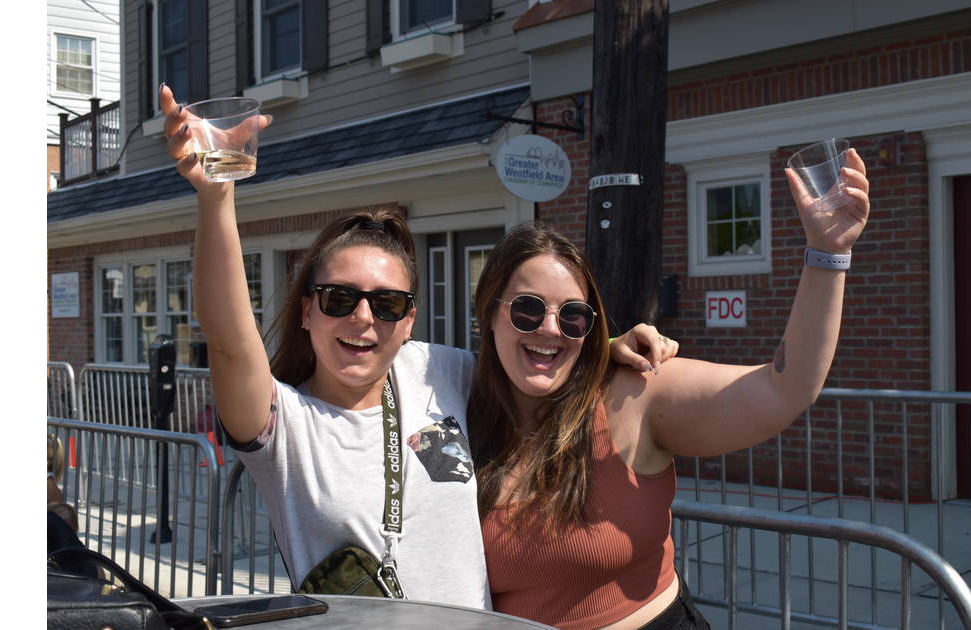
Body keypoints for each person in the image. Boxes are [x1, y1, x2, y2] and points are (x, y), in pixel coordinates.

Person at [157, 85, 675, 608]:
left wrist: (598, 346)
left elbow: (529, 354)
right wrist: (216, 195)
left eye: (386, 304)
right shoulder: (284, 425)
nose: (363, 317)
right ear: (307, 310)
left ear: (409, 321)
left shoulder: (438, 370)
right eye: (339, 298)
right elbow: (227, 340)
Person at [469, 152, 871, 629]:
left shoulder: (633, 392)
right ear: (489, 313)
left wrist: (827, 253)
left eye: (574, 317)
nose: (551, 330)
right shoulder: (452, 402)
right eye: (528, 311)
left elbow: (786, 387)